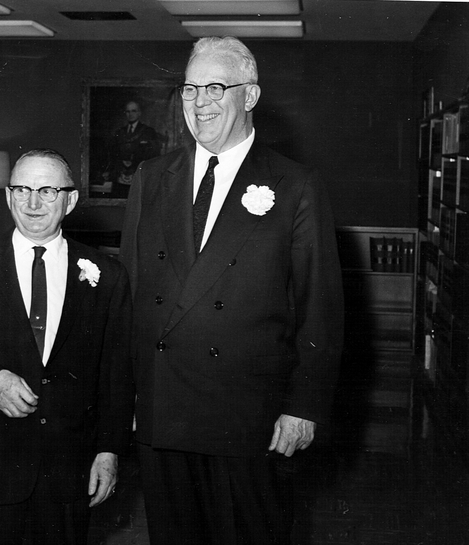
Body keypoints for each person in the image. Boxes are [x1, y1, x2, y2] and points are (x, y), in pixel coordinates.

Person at [119, 37, 344, 545]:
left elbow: (320, 308)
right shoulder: (152, 178)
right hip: (162, 408)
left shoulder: (295, 184)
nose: (201, 103)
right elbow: (130, 295)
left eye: (217, 87)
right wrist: (123, 397)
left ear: (251, 96)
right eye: (191, 89)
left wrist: (304, 405)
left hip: (249, 417)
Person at [0, 148, 134, 545]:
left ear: (69, 200)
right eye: (22, 189)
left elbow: (116, 371)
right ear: (7, 196)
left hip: (69, 469)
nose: (33, 203)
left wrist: (109, 450)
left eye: (47, 190)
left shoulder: (107, 275)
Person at [102, 101, 161, 197]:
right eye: (128, 111)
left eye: (134, 111)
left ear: (139, 113)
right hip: (120, 175)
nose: (130, 114)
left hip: (140, 175)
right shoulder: (119, 132)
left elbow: (154, 155)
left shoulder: (148, 132)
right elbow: (113, 154)